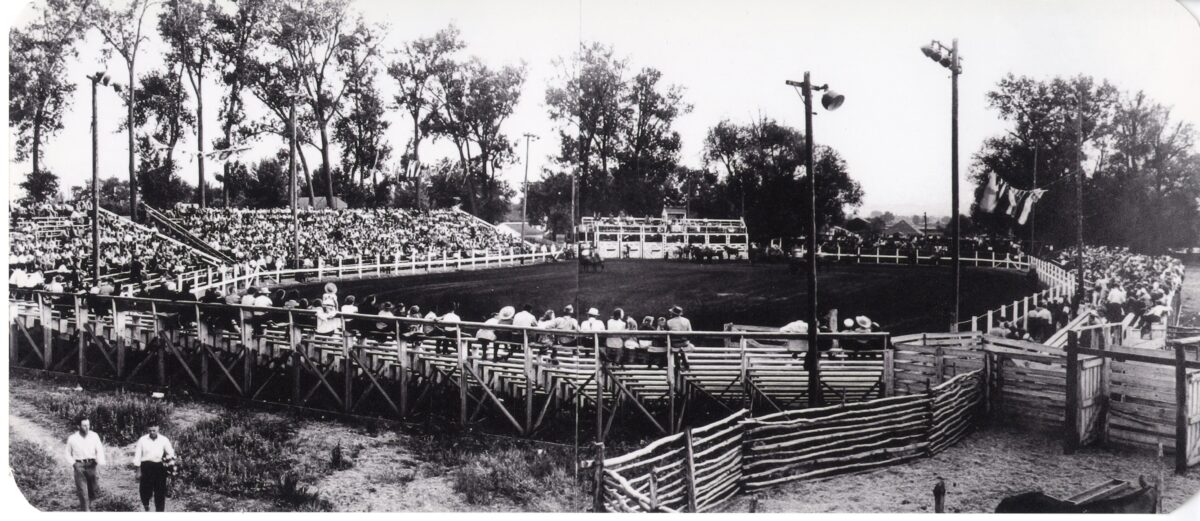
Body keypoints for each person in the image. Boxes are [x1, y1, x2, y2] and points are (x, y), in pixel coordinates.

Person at [64, 418, 106, 511]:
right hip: (79, 466)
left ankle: (88, 505)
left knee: (93, 490)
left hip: (92, 465)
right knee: (83, 491)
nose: (87, 427)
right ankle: (86, 510)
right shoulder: (72, 438)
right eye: (84, 425)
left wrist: (97, 461)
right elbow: (67, 453)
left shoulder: (94, 436)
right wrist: (74, 464)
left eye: (88, 425)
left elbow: (99, 449)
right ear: (78, 426)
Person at [133, 424, 176, 512]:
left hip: (159, 467)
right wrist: (138, 470)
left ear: (158, 428)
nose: (152, 432)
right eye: (150, 431)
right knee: (144, 490)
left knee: (160, 491)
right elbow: (138, 455)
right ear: (147, 429)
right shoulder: (142, 440)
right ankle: (146, 506)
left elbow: (171, 453)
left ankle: (159, 511)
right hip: (146, 466)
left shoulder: (164, 440)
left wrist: (169, 465)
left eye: (154, 430)